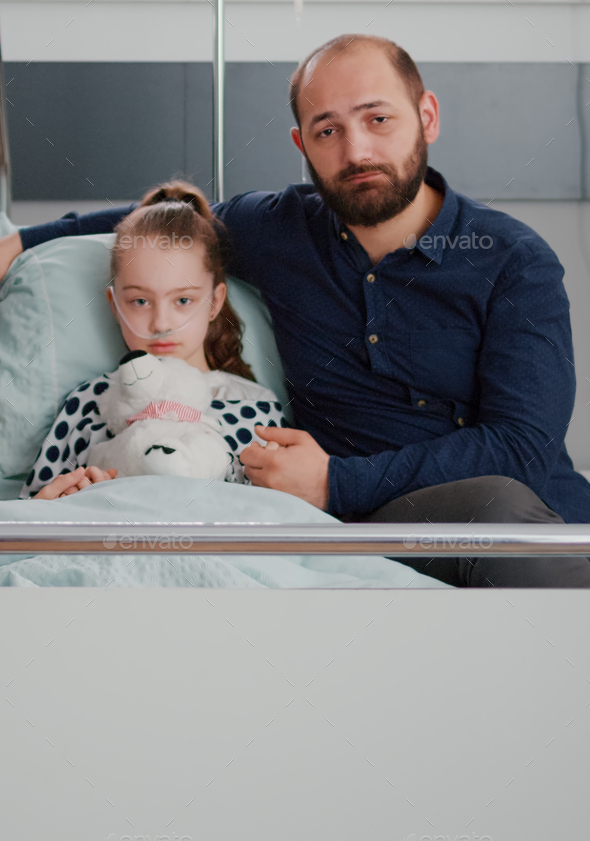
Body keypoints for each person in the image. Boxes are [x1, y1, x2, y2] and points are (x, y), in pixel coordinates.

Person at [2, 33, 590, 587]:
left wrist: (336, 481)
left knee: (500, 513)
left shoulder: (513, 261)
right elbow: (166, 223)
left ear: (426, 116)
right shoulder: (281, 228)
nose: (356, 150)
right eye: (326, 130)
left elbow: (523, 445)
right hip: (350, 531)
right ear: (301, 144)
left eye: (378, 119)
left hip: (506, 513)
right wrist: (22, 243)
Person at [20, 181, 287, 499]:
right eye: (140, 302)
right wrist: (59, 501)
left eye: (183, 301)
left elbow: (280, 519)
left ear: (214, 302)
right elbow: (28, 525)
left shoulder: (255, 410)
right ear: (114, 305)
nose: (161, 324)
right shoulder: (88, 406)